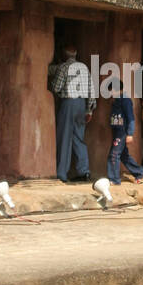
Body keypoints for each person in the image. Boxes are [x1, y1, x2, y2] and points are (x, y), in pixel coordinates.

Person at [50, 43, 95, 183]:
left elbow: (56, 88)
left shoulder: (63, 67)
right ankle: (84, 171)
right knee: (78, 138)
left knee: (65, 137)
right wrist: (89, 110)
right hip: (81, 104)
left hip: (68, 103)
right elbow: (91, 90)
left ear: (65, 55)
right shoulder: (84, 68)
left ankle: (62, 173)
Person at [107, 79, 143, 185]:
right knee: (123, 155)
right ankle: (140, 172)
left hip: (122, 132)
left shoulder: (125, 100)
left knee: (114, 155)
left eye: (112, 91)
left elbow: (130, 117)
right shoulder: (116, 101)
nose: (110, 93)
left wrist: (130, 134)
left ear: (118, 90)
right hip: (116, 132)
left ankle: (114, 179)